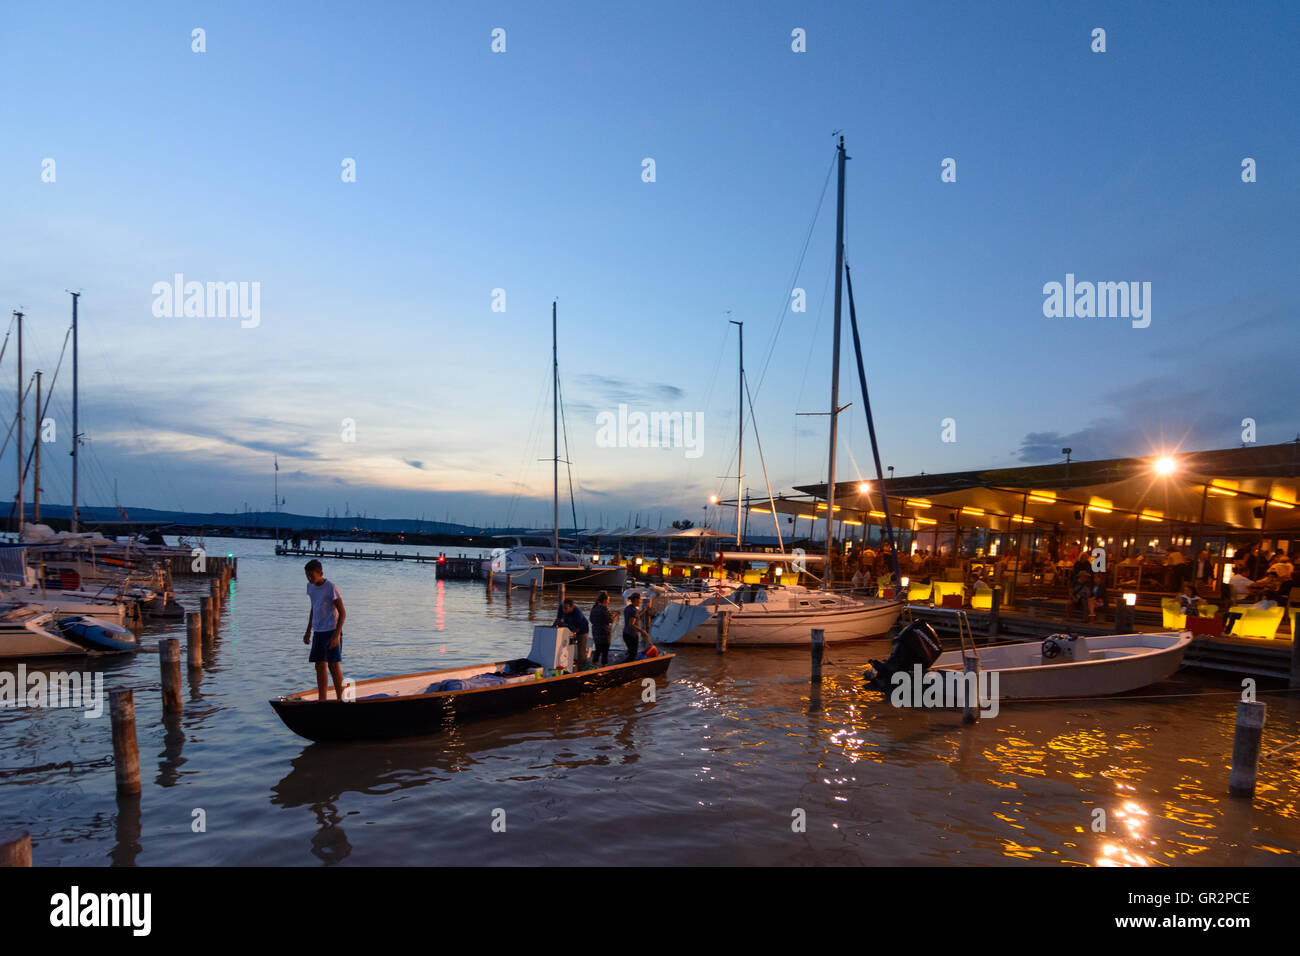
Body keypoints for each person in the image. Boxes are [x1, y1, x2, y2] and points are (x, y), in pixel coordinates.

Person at [302, 559, 346, 701]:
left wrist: (336, 635)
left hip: (331, 630)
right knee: (319, 666)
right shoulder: (310, 587)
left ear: (321, 573)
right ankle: (322, 699)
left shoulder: (331, 588)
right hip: (318, 631)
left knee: (333, 666)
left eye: (312, 576)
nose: (309, 579)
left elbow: (343, 613)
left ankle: (341, 699)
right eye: (307, 576)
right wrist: (308, 630)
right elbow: (313, 608)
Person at [553, 597, 590, 668]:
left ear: (571, 607)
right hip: (569, 626)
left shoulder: (577, 613)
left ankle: (581, 668)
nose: (563, 610)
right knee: (563, 647)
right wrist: (553, 629)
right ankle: (565, 665)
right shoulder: (561, 607)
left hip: (581, 630)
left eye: (566, 608)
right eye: (563, 607)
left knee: (581, 652)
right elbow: (557, 620)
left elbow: (578, 628)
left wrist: (573, 635)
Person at [589, 591, 613, 667]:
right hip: (604, 632)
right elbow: (610, 620)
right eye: (608, 600)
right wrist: (618, 615)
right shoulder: (604, 609)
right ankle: (604, 667)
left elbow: (591, 620)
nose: (609, 602)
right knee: (605, 652)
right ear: (605, 600)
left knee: (598, 650)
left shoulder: (594, 608)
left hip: (596, 632)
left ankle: (594, 666)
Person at [623, 592, 648, 661]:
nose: (640, 601)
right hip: (632, 635)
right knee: (633, 655)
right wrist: (642, 631)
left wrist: (643, 610)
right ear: (636, 600)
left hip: (626, 633)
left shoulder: (628, 608)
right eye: (640, 599)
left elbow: (635, 616)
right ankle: (625, 668)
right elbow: (631, 624)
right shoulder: (633, 610)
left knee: (631, 652)